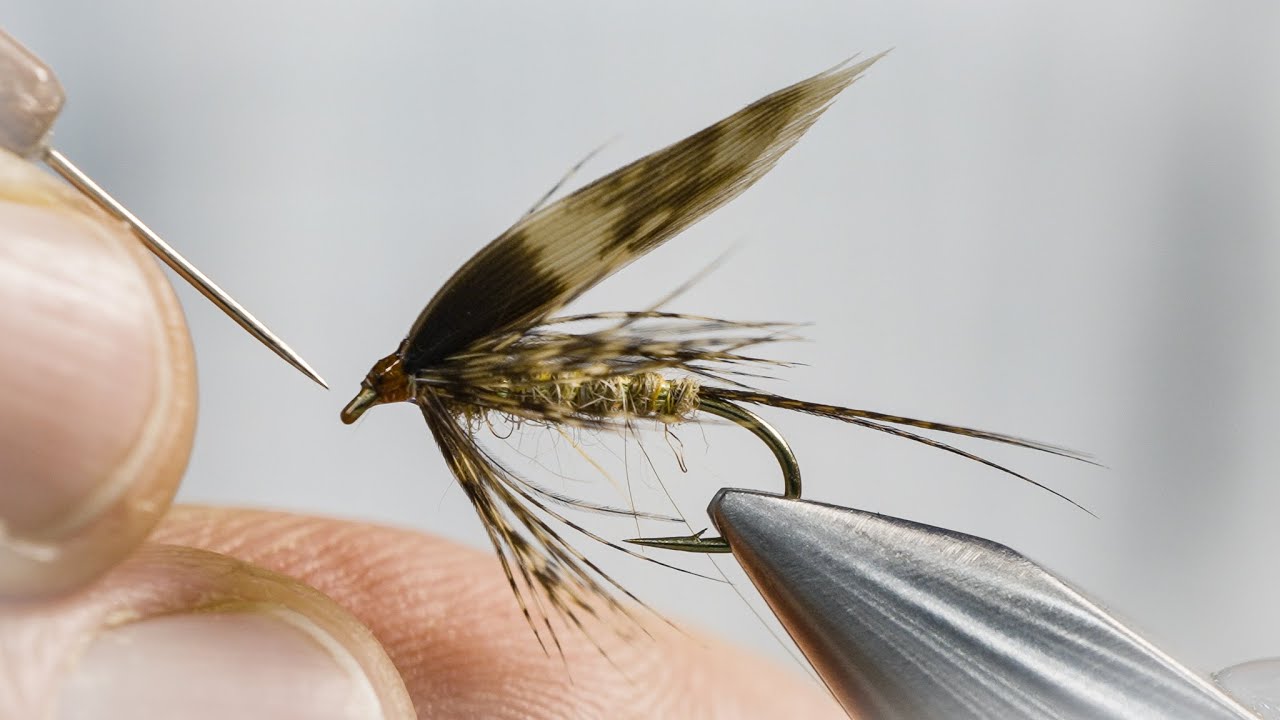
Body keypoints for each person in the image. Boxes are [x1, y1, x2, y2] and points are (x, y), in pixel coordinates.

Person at [0, 149, 844, 719]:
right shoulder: (447, 369)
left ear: (394, 379)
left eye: (373, 391)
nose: (365, 400)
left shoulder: (439, 373)